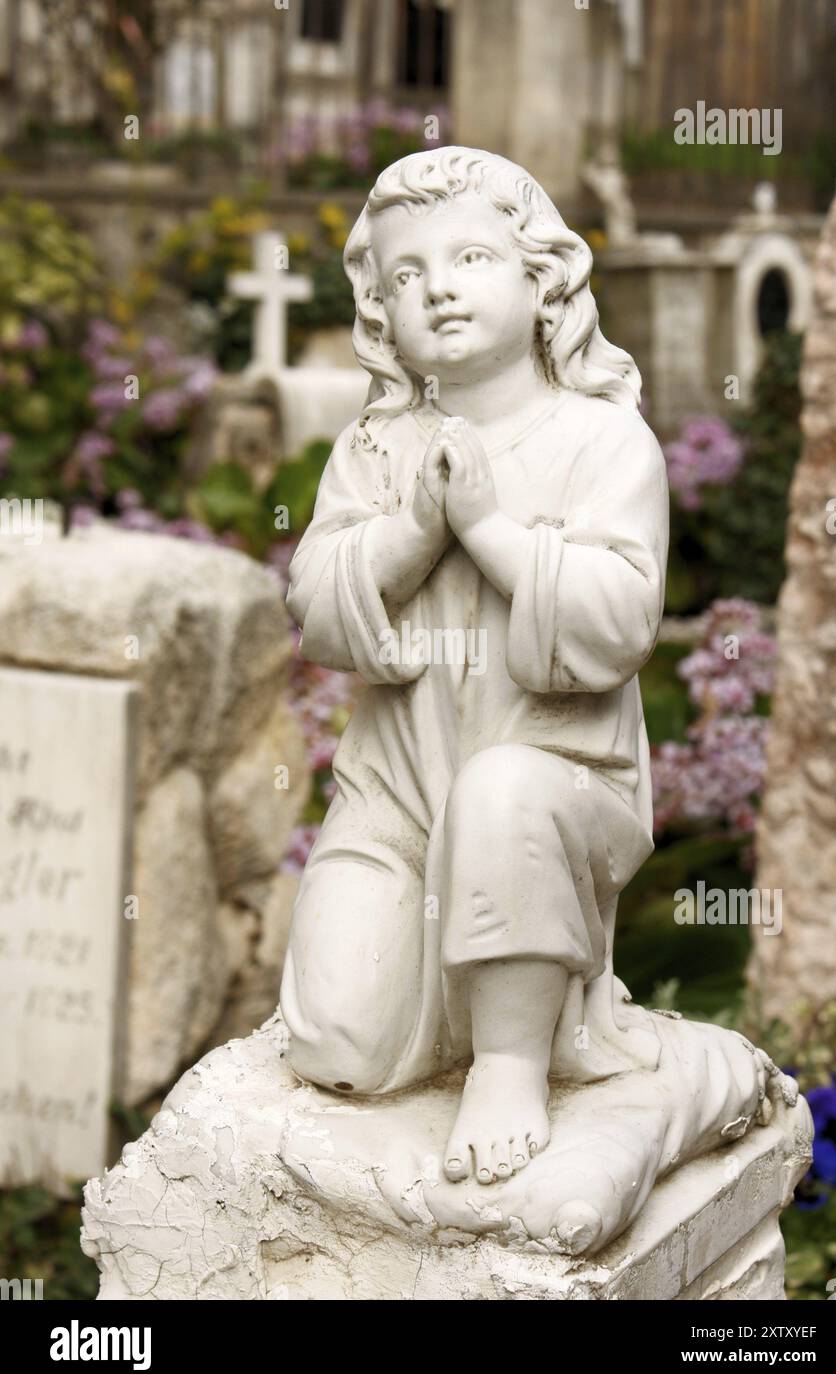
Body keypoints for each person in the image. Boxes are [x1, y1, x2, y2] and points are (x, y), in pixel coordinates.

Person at [280, 146, 673, 1186]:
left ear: (541, 281)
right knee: (335, 1041)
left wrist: (489, 527)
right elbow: (315, 606)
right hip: (398, 802)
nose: (436, 287)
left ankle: (510, 1056)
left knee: (500, 791)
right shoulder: (372, 450)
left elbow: (616, 622)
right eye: (404, 276)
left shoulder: (601, 440)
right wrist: (412, 530)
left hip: (553, 786)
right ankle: (460, 993)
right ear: (381, 314)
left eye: (468, 257)